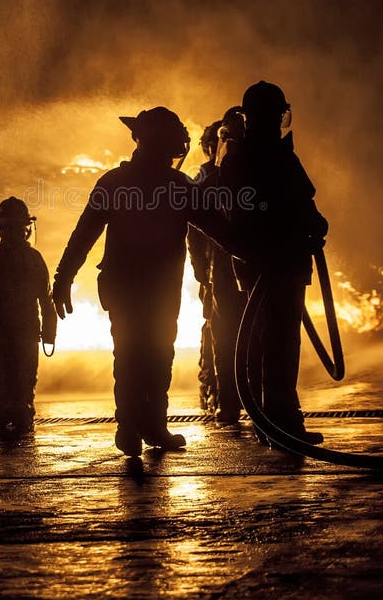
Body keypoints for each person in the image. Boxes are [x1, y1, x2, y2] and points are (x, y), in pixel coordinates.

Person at [52, 106, 249, 458]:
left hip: (126, 287)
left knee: (130, 353)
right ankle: (147, 424)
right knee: (157, 353)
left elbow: (83, 236)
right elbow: (224, 233)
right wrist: (260, 253)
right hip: (157, 290)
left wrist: (63, 278)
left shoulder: (116, 182)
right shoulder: (177, 187)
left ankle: (134, 426)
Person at [220, 82, 328, 446]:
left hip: (273, 262)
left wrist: (311, 224)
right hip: (273, 263)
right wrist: (306, 225)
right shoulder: (257, 157)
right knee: (278, 344)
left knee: (276, 343)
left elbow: (300, 200)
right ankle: (279, 424)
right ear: (274, 114)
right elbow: (275, 207)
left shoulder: (247, 156)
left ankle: (276, 423)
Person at [0, 197, 57, 435]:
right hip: (27, 332)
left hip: (1, 335)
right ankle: (22, 413)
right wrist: (49, 333)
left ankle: (2, 414)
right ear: (26, 227)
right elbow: (46, 299)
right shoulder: (34, 259)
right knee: (25, 380)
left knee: (2, 379)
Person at [188, 119, 246, 424]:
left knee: (227, 336)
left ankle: (230, 402)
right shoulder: (207, 181)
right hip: (222, 273)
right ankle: (227, 399)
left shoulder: (211, 180)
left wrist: (202, 272)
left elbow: (194, 235)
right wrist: (202, 273)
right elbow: (195, 233)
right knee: (225, 336)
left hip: (225, 272)